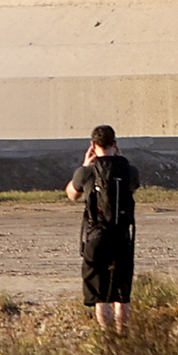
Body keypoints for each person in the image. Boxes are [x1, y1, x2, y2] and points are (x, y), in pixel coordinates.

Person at [68, 124, 139, 334]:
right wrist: (120, 161)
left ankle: (106, 336)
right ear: (115, 144)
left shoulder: (86, 172)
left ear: (93, 145)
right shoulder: (130, 171)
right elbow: (132, 188)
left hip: (96, 236)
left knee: (101, 296)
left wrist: (85, 165)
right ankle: (122, 335)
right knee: (121, 295)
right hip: (121, 235)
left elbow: (72, 194)